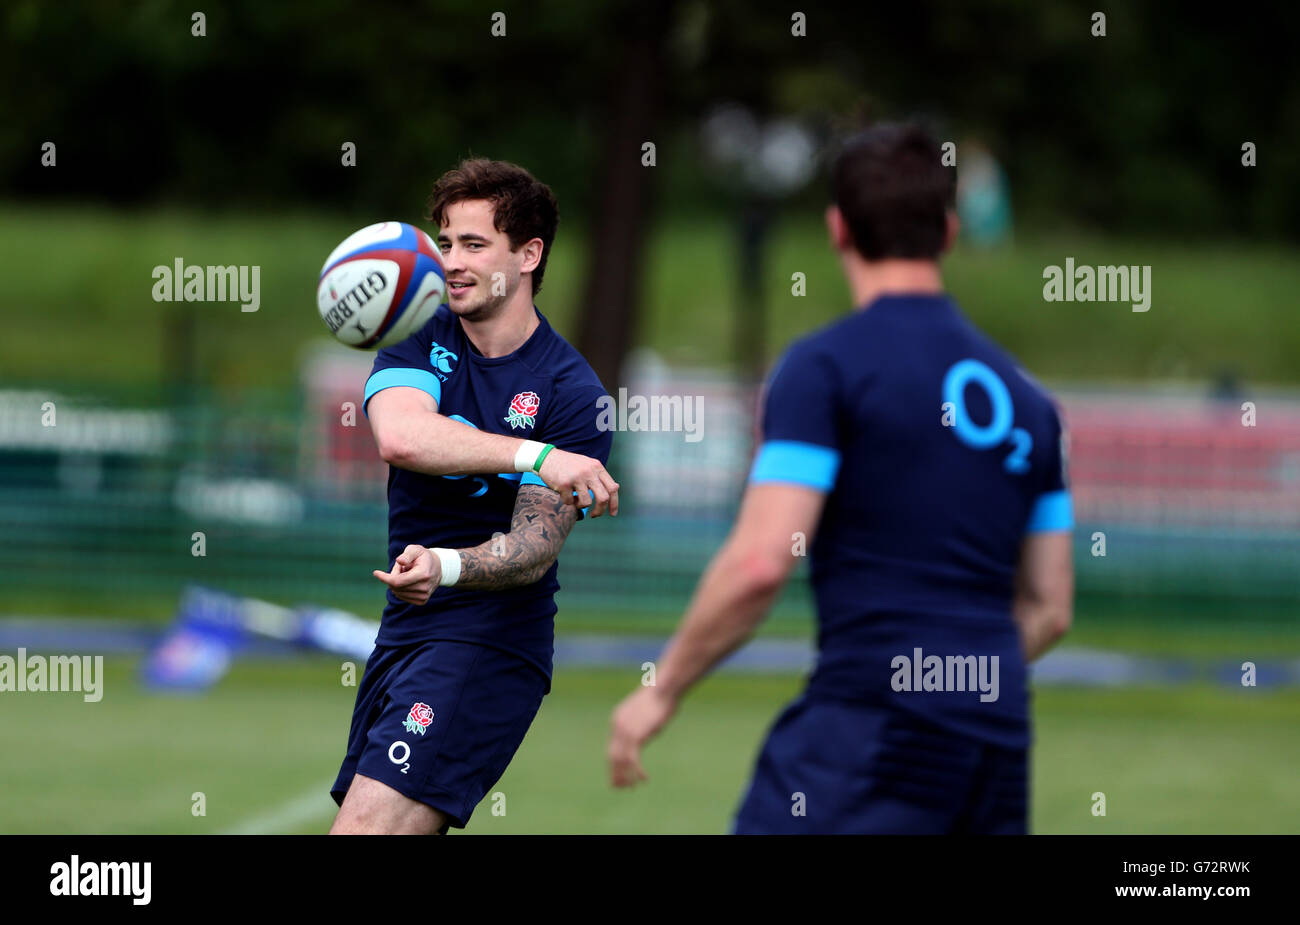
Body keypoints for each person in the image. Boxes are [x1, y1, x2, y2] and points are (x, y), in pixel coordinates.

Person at [606, 123, 1074, 834]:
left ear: (837, 229)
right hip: (997, 738)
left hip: (870, 730)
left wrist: (662, 687)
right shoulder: (1030, 401)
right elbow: (1050, 606)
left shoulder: (828, 367)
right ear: (949, 232)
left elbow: (762, 560)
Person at [330, 158, 618, 834]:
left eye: (473, 243)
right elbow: (401, 435)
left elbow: (531, 550)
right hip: (405, 632)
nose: (451, 261)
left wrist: (446, 565)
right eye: (445, 242)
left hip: (488, 641)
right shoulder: (414, 336)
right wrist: (537, 455)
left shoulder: (573, 393)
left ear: (528, 254)